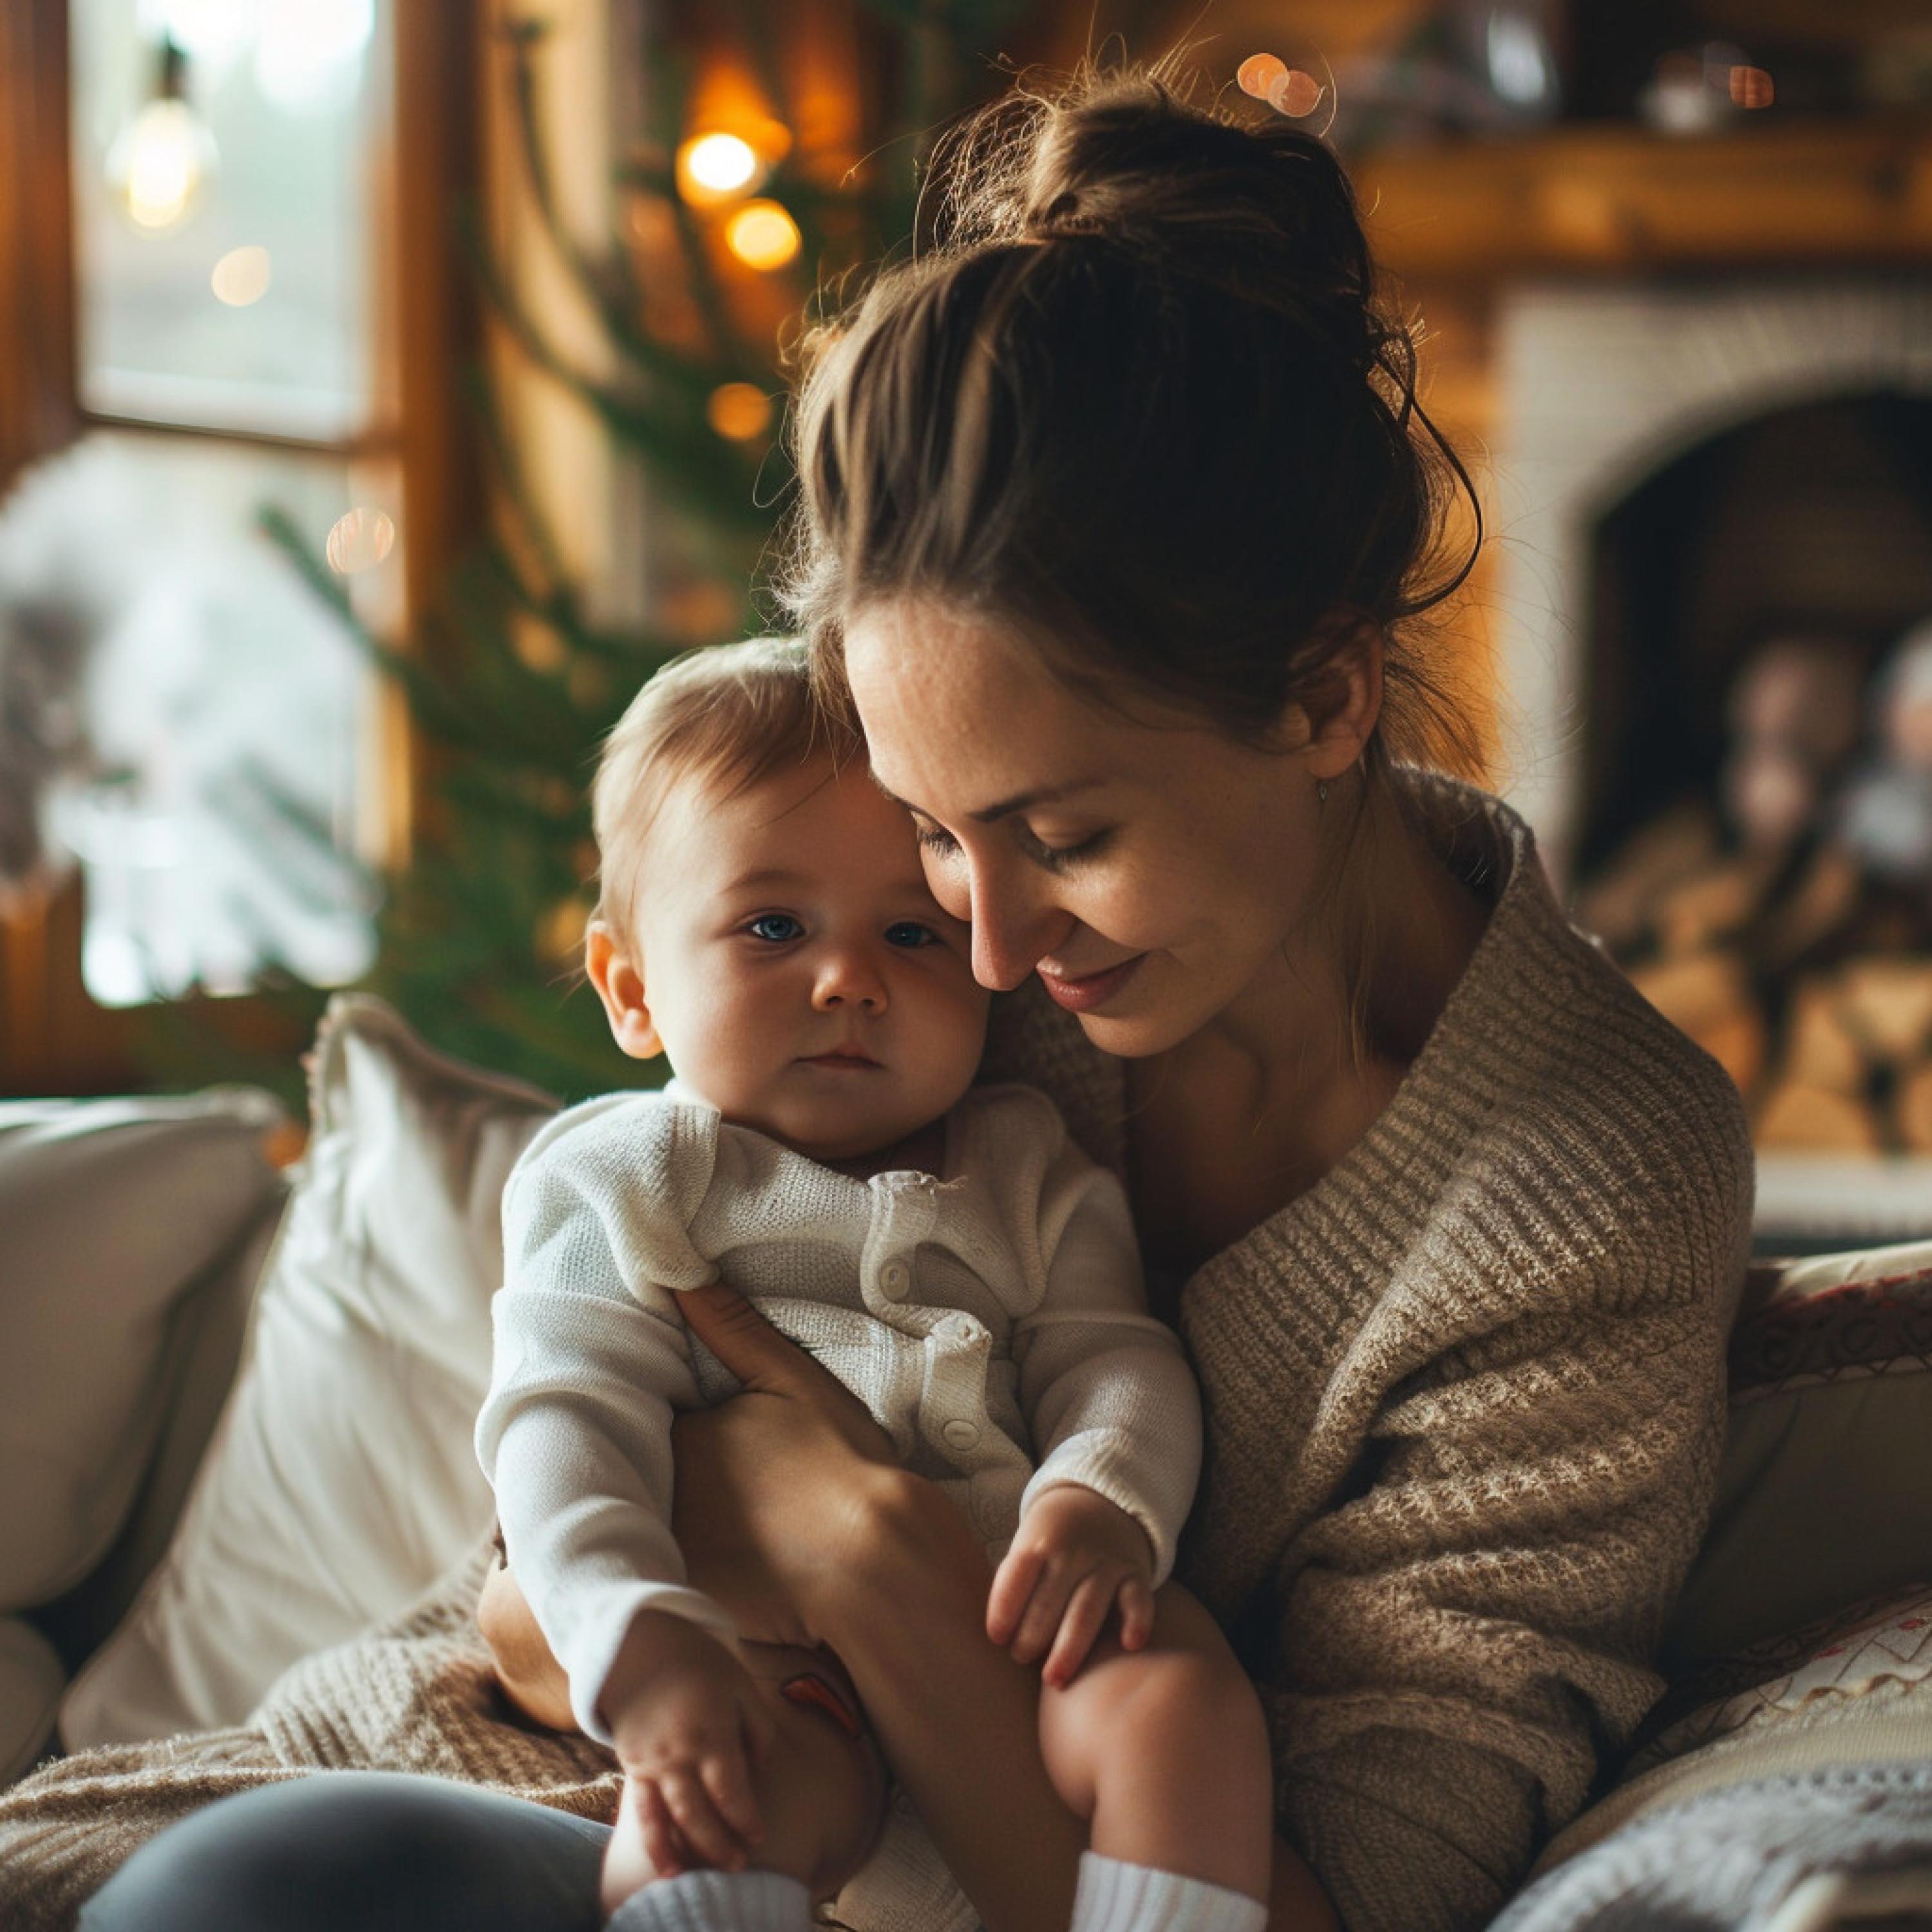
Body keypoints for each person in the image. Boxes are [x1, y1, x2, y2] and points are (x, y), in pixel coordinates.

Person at [78, 52, 1754, 1932]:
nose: (980, 951)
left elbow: (1343, 1904)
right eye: (939, 836)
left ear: (1324, 696)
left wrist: (856, 1544)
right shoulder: (898, 962)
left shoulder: (1587, 1198)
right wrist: (712, 1593)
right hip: (508, 1777)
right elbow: (516, 1592)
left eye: (1061, 832)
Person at [476, 636, 1271, 1931]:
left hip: (1023, 1630)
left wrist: (1103, 1501)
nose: (850, 980)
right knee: (705, 1813)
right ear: (630, 987)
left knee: (1180, 1704)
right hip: (773, 1675)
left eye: (912, 932)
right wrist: (633, 1632)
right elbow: (558, 1418)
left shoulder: (1029, 1166)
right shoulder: (623, 1177)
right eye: (774, 926)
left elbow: (1114, 1358)